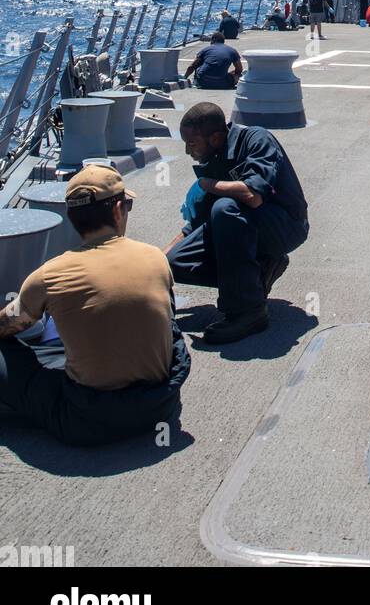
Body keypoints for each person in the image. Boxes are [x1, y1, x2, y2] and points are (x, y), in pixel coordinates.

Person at [0, 166, 190, 445]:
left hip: (87, 422)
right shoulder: (154, 258)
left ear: (71, 217)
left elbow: (7, 325)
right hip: (160, 407)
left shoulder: (48, 275)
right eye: (128, 205)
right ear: (117, 210)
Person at [166, 103, 309, 343]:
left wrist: (207, 184)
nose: (188, 151)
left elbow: (252, 196)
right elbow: (196, 223)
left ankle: (247, 312)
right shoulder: (215, 157)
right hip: (242, 225)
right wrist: (155, 262)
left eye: (192, 143)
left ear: (215, 137)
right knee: (175, 262)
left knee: (225, 209)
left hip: (284, 226)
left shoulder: (257, 139)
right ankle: (259, 273)